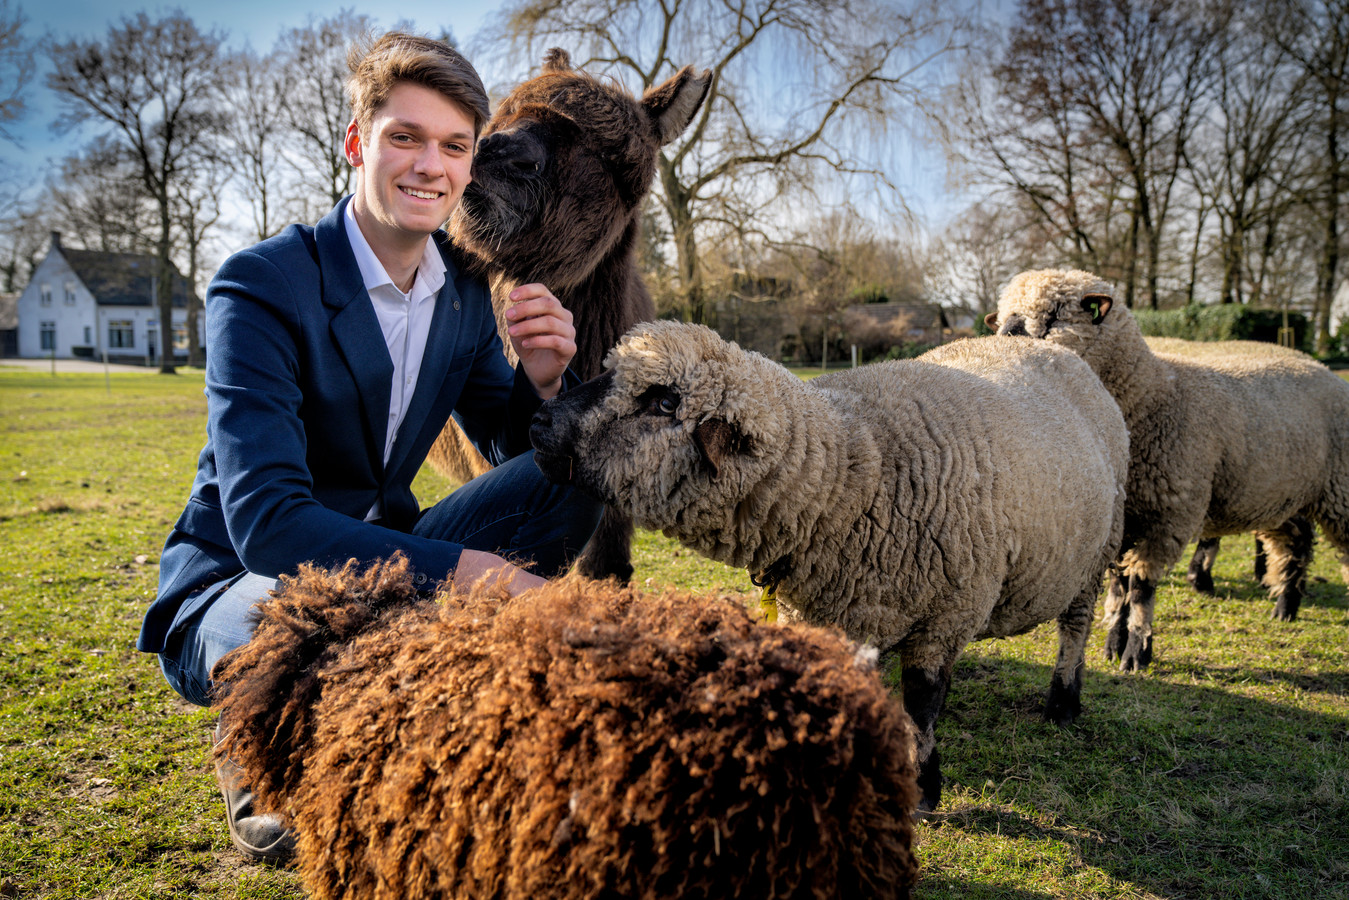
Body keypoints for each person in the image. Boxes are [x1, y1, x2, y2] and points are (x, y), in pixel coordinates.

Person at [136, 31, 604, 863]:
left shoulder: (464, 287)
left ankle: (428, 662)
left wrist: (541, 384)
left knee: (578, 467)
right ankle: (258, 739)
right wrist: (476, 573)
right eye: (405, 137)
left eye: (453, 146)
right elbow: (269, 524)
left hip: (387, 552)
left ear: (470, 164)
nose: (430, 166)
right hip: (245, 578)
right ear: (357, 142)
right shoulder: (259, 283)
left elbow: (511, 455)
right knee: (287, 624)